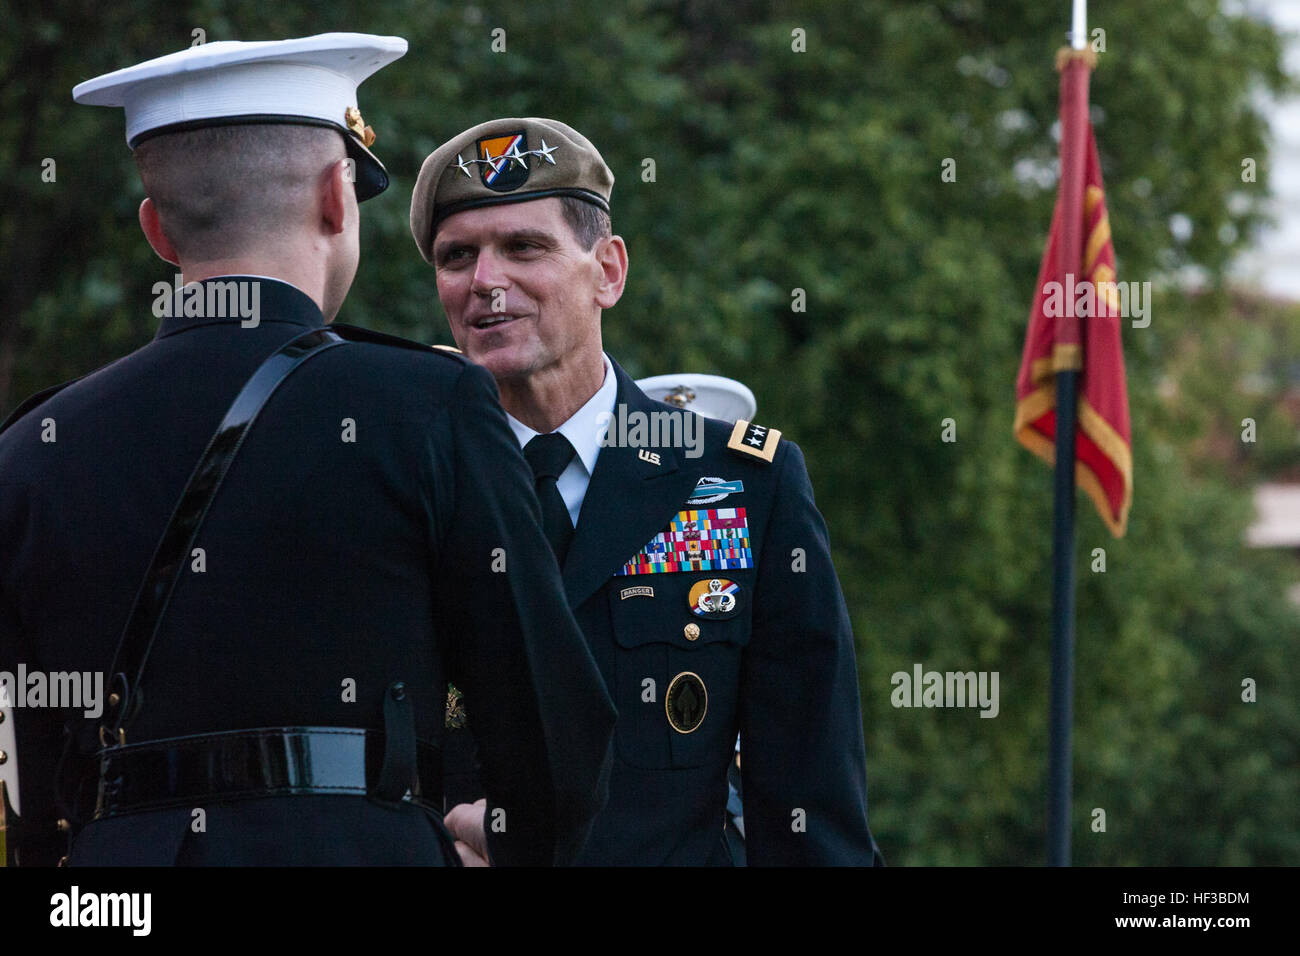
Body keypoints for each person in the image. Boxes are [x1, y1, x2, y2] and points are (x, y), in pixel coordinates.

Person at [0, 39, 614, 867]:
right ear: (336, 197)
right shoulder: (427, 405)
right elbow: (552, 735)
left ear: (156, 229)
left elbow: (24, 788)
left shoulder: (35, 449)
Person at [410, 117, 884, 865]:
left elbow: (810, 806)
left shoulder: (740, 485)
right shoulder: (411, 487)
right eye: (456, 257)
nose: (485, 282)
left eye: (523, 247)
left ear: (608, 270)